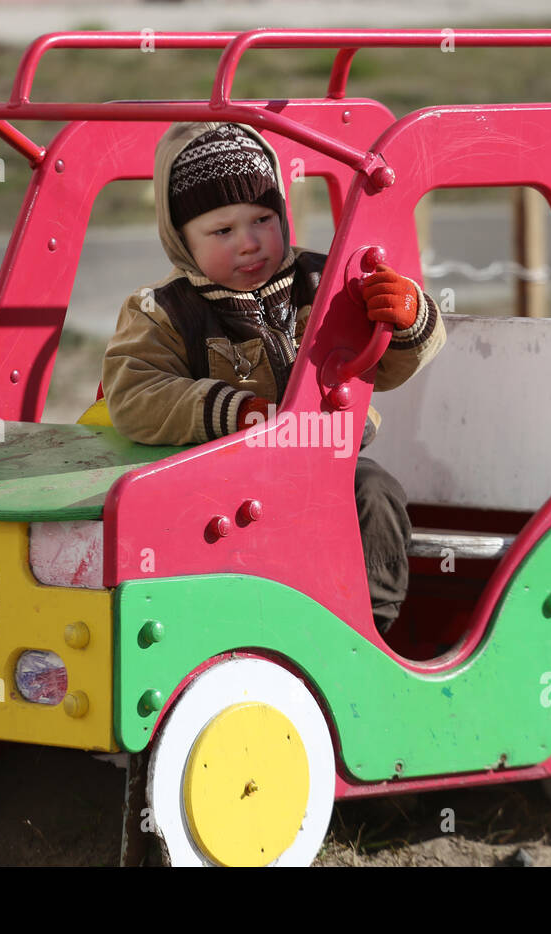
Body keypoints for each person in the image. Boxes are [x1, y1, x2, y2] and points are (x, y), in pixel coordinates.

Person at [101, 121, 445, 635]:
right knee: (217, 528)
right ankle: (233, 629)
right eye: (222, 231)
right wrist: (228, 410)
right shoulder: (162, 310)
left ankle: (371, 627)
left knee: (375, 490)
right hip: (218, 475)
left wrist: (408, 320)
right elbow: (135, 394)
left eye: (262, 219)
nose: (249, 243)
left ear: (282, 212)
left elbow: (383, 368)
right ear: (182, 238)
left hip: (324, 459)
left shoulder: (323, 281)